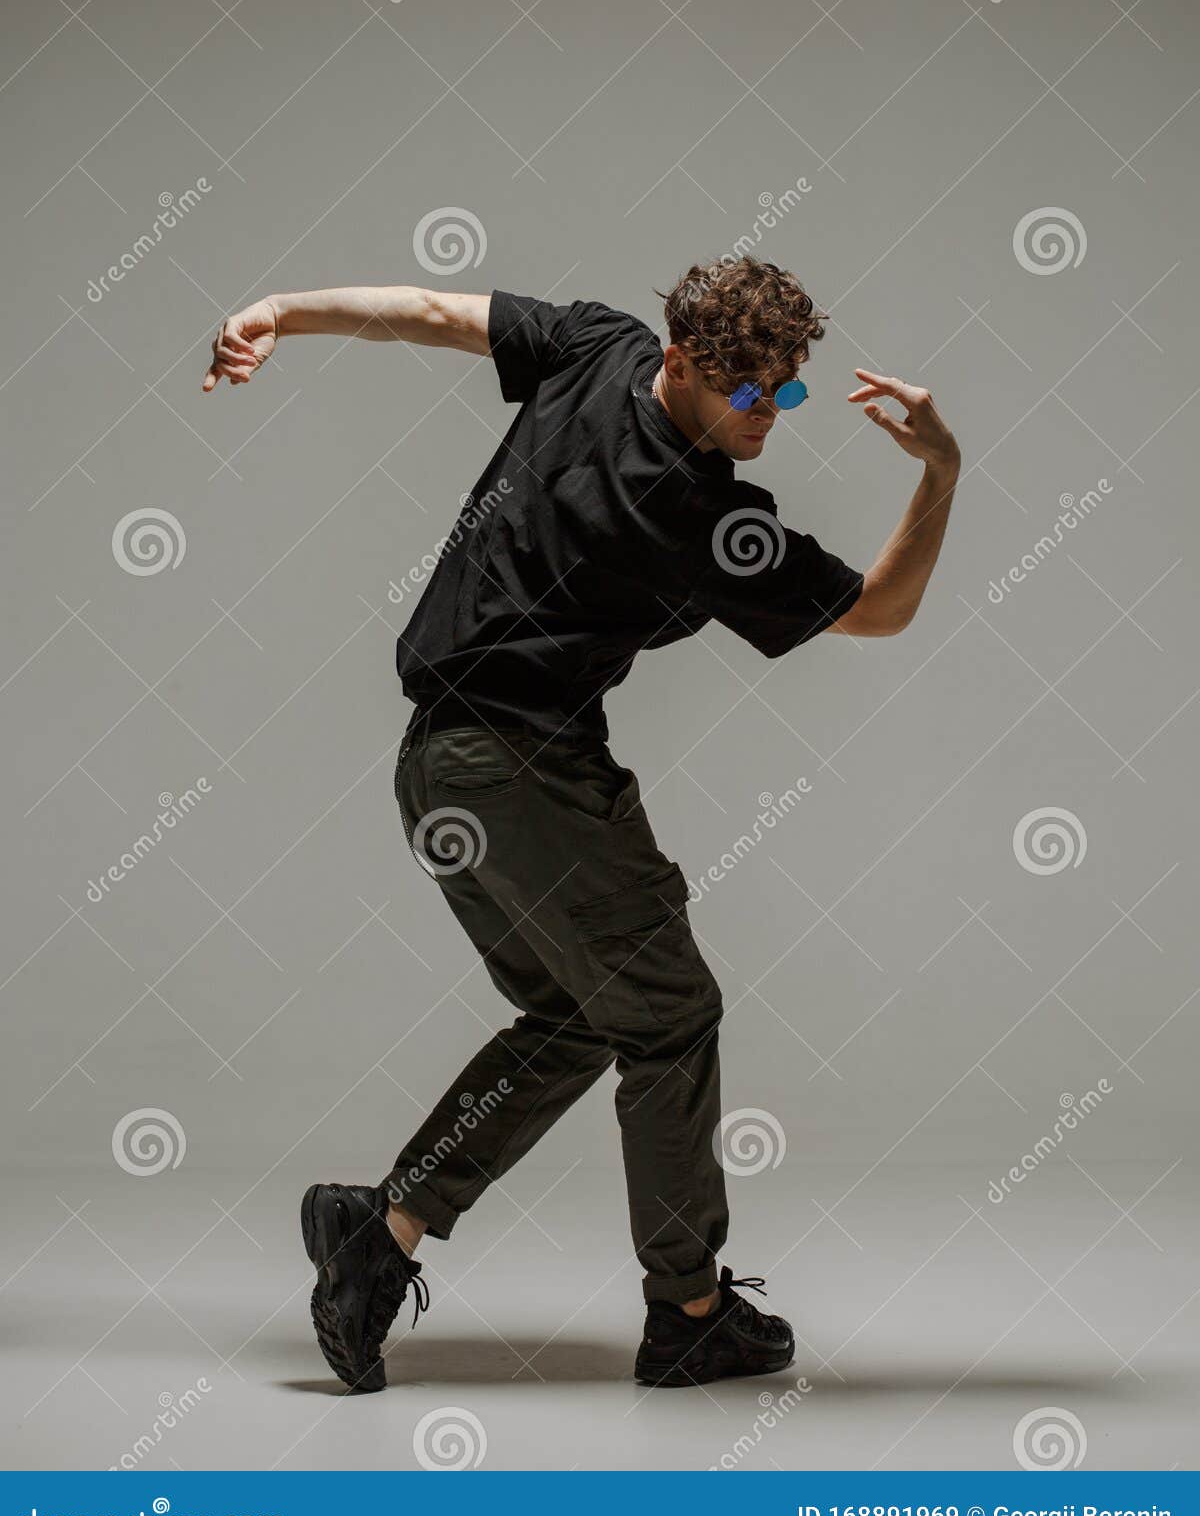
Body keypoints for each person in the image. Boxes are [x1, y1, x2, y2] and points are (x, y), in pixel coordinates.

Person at [202, 257, 961, 1393]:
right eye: (751, 392)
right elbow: (885, 609)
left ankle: (382, 1230)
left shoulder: (595, 348)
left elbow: (426, 315)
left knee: (573, 1011)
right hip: (522, 773)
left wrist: (277, 311)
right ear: (685, 361)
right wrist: (941, 472)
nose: (770, 417)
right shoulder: (705, 517)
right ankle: (690, 1310)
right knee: (668, 1012)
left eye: (787, 393)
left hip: (435, 772)